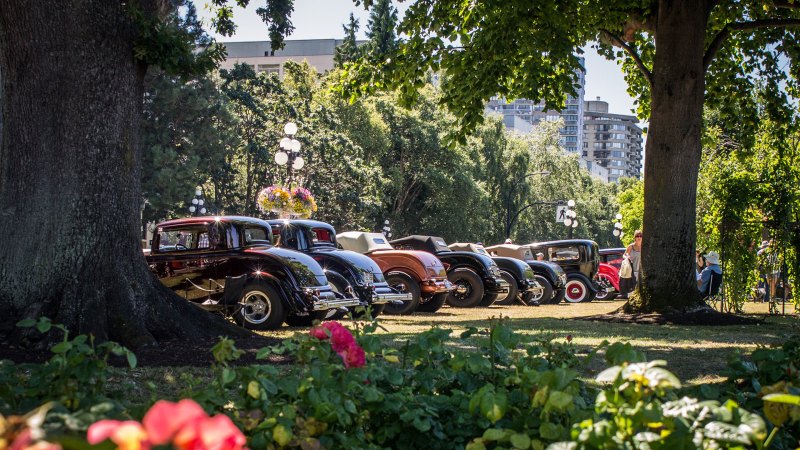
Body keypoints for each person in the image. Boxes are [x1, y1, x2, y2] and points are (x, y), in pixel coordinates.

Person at [620, 230, 643, 298]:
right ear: (634, 237)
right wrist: (627, 257)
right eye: (637, 236)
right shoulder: (631, 246)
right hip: (632, 271)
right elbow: (624, 255)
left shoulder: (644, 246)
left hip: (641, 271)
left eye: (640, 236)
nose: (639, 237)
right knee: (633, 287)